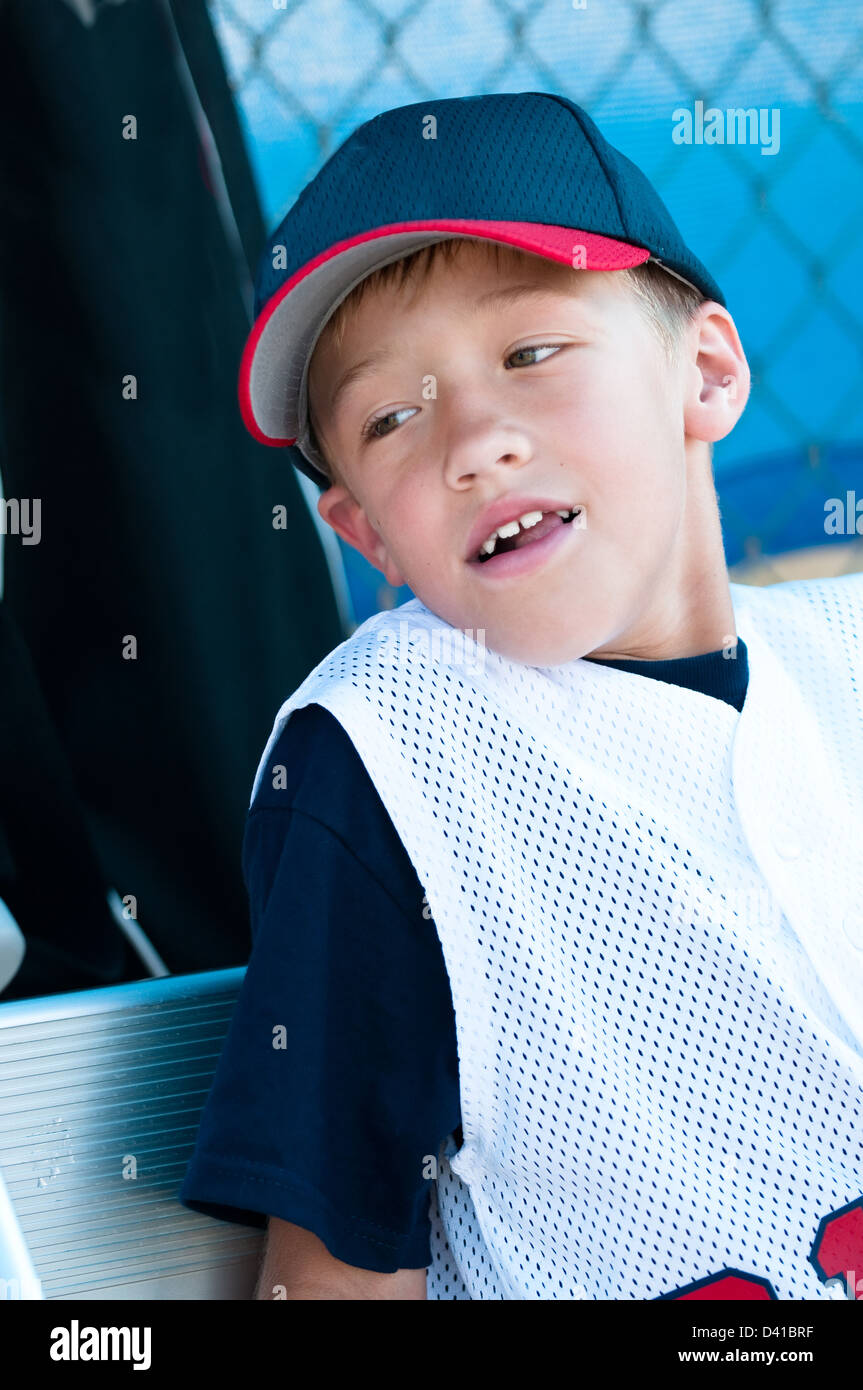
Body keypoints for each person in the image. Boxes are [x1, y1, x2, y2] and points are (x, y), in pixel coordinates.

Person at [179, 91, 863, 1301]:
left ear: (702, 372)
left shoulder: (842, 656)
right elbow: (330, 1278)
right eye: (389, 417)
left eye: (529, 353)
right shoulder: (386, 755)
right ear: (364, 532)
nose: (474, 439)